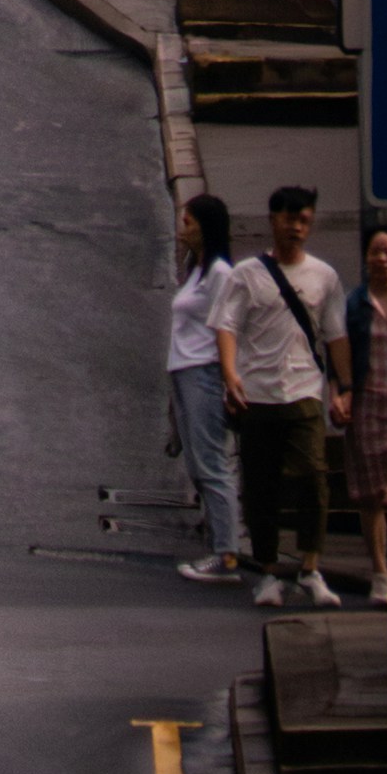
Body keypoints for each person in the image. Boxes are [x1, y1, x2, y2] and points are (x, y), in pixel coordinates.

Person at [215, 182, 353, 605]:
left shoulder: (324, 277)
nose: (296, 227)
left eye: (304, 220)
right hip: (257, 394)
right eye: (289, 219)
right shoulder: (246, 275)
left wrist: (342, 388)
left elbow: (335, 336)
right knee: (261, 487)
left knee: (315, 479)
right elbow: (227, 326)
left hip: (304, 392)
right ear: (273, 221)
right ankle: (269, 572)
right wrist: (229, 374)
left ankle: (310, 568)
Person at [170, 189, 247, 581]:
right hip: (185, 372)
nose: (182, 229)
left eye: (188, 222)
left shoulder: (220, 274)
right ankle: (220, 543)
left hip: (204, 372)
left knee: (213, 464)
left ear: (206, 227)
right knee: (200, 464)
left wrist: (228, 381)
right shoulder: (196, 269)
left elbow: (228, 328)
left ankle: (227, 555)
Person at [348, 225, 387, 604]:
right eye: (375, 252)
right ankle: (381, 572)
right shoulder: (356, 303)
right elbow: (341, 348)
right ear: (366, 258)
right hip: (368, 405)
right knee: (372, 496)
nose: (382, 259)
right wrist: (341, 391)